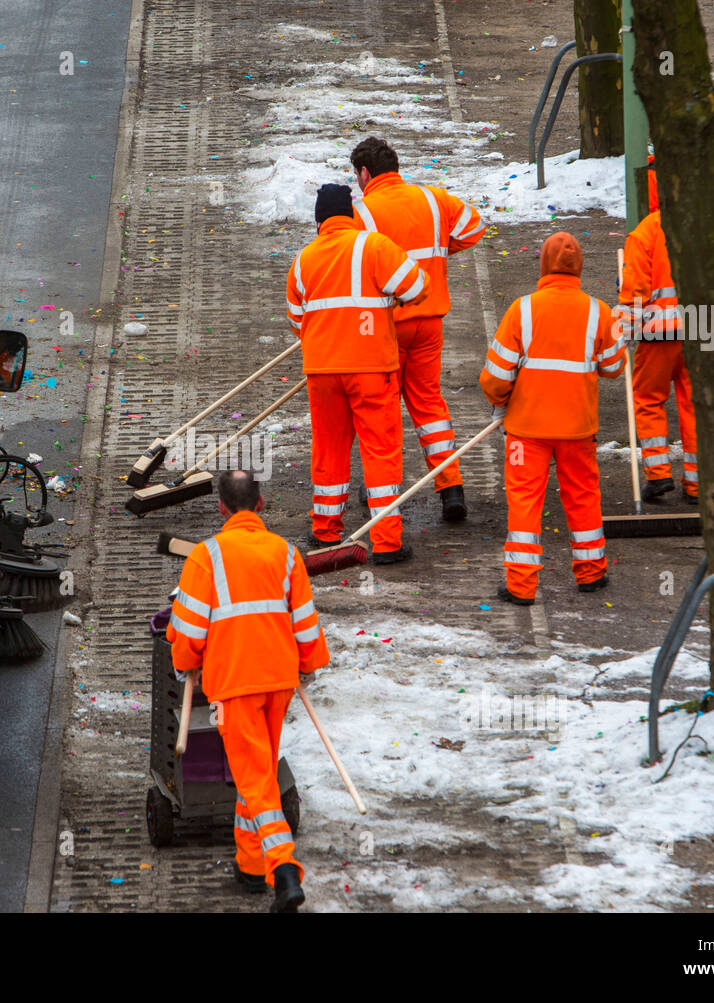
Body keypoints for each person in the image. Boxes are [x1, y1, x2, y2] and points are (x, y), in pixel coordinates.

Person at [166, 470, 330, 912]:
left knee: (255, 779)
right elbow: (305, 622)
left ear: (221, 507)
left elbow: (188, 629)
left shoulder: (206, 557)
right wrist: (310, 666)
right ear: (262, 504)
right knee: (255, 772)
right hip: (279, 681)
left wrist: (184, 665)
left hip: (235, 684)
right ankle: (251, 865)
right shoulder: (286, 553)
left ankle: (283, 867)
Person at [479, 232, 626, 605]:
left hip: (527, 430)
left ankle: (521, 585)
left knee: (525, 504)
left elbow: (496, 376)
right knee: (583, 498)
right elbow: (613, 367)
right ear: (579, 267)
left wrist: (501, 401)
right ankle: (591, 572)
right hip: (578, 428)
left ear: (543, 264)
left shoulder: (522, 310)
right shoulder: (599, 311)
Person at [286, 182, 427, 564]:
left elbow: (297, 319)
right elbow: (417, 287)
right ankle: (386, 541)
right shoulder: (374, 246)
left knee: (329, 449)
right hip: (371, 368)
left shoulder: (303, 260)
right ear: (350, 215)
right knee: (380, 450)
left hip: (322, 371)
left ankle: (325, 529)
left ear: (318, 221)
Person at [349, 136, 486, 523]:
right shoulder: (433, 199)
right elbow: (474, 227)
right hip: (429, 322)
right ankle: (451, 486)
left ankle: (381, 489)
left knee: (384, 410)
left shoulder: (364, 214)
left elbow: (356, 268)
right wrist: (441, 253)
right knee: (429, 405)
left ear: (364, 173)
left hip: (386, 328)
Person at [616, 162, 714, 505]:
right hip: (703, 329)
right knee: (696, 405)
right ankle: (697, 482)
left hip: (658, 335)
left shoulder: (645, 233)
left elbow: (634, 294)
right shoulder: (710, 227)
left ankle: (658, 475)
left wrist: (626, 332)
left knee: (648, 401)